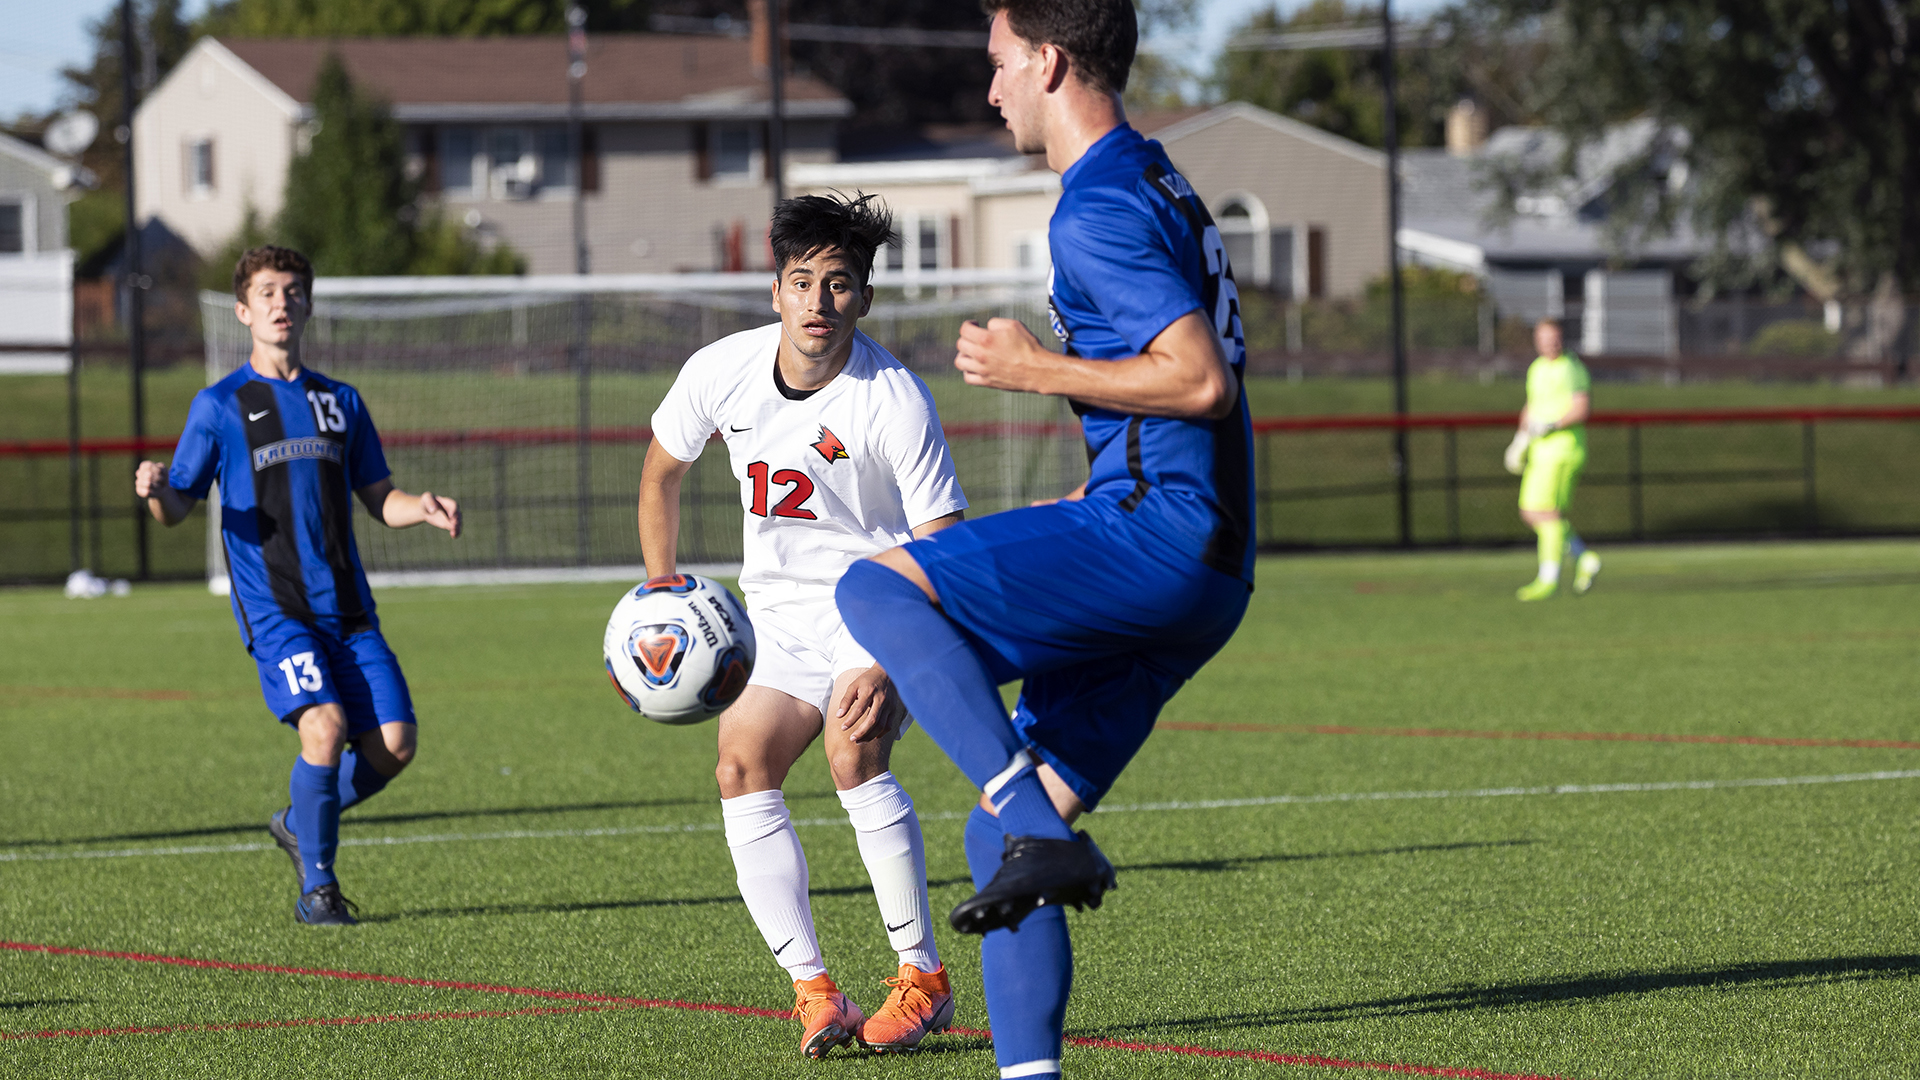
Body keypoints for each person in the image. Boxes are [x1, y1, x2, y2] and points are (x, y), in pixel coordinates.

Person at [831, 2, 1255, 1076]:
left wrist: (1033, 370)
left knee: (877, 595)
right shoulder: (1154, 175)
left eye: (1000, 64)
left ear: (1050, 60)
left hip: (1158, 542)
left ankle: (1041, 826)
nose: (990, 90)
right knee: (990, 840)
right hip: (1206, 566)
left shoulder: (1098, 205)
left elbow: (1198, 380)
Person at [637, 193, 969, 1059]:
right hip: (776, 620)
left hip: (878, 605)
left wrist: (900, 653)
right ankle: (815, 990)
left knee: (852, 754)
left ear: (864, 297)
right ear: (775, 290)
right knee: (741, 765)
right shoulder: (722, 369)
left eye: (839, 284)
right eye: (802, 282)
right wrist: (661, 587)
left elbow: (944, 544)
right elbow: (661, 473)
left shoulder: (893, 397)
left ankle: (922, 975)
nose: (818, 302)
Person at [133, 245, 461, 926]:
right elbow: (178, 509)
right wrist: (157, 490)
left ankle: (297, 821)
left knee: (395, 744)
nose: (281, 302)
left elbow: (381, 497)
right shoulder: (219, 405)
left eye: (292, 291)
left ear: (308, 305)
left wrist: (420, 507)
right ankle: (319, 888)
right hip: (276, 608)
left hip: (347, 609)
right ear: (243, 311)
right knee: (325, 726)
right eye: (267, 292)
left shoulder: (341, 402)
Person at [1503, 319, 1600, 600]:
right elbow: (1531, 406)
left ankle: (1549, 578)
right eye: (1544, 338)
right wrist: (1519, 441)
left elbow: (1582, 408)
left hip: (1563, 450)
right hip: (1540, 452)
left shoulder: (1571, 368)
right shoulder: (1536, 368)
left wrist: (1553, 425)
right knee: (1531, 513)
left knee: (1546, 513)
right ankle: (1583, 557)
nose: (1550, 344)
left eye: (1554, 338)